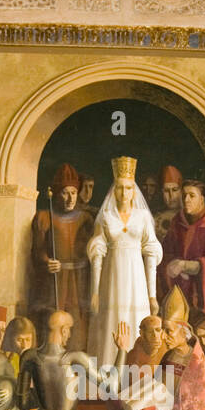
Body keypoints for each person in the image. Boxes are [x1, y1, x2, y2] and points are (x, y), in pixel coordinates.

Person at [87, 156, 162, 372]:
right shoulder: (106, 217)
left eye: (129, 188)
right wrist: (94, 292)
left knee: (136, 319)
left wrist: (152, 295)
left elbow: (151, 252)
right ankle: (110, 377)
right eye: (119, 188)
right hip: (112, 278)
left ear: (134, 190)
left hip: (136, 278)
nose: (124, 193)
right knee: (113, 320)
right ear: (114, 189)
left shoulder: (143, 217)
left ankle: (136, 376)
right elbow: (97, 253)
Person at [33, 166, 94, 350]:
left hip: (79, 281)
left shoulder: (86, 219)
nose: (70, 198)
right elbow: (37, 250)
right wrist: (46, 261)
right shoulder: (44, 217)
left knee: (78, 325)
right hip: (56, 280)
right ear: (57, 194)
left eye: (74, 193)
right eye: (65, 193)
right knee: (54, 321)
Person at [157, 179, 205, 319]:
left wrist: (187, 265)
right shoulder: (177, 222)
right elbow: (165, 253)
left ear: (202, 199)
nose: (186, 200)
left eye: (192, 196)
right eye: (184, 195)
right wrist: (169, 265)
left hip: (200, 302)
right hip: (177, 297)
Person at [152, 164, 183, 241]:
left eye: (175, 190)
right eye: (166, 191)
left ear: (181, 191)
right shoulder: (155, 219)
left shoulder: (192, 215)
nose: (171, 195)